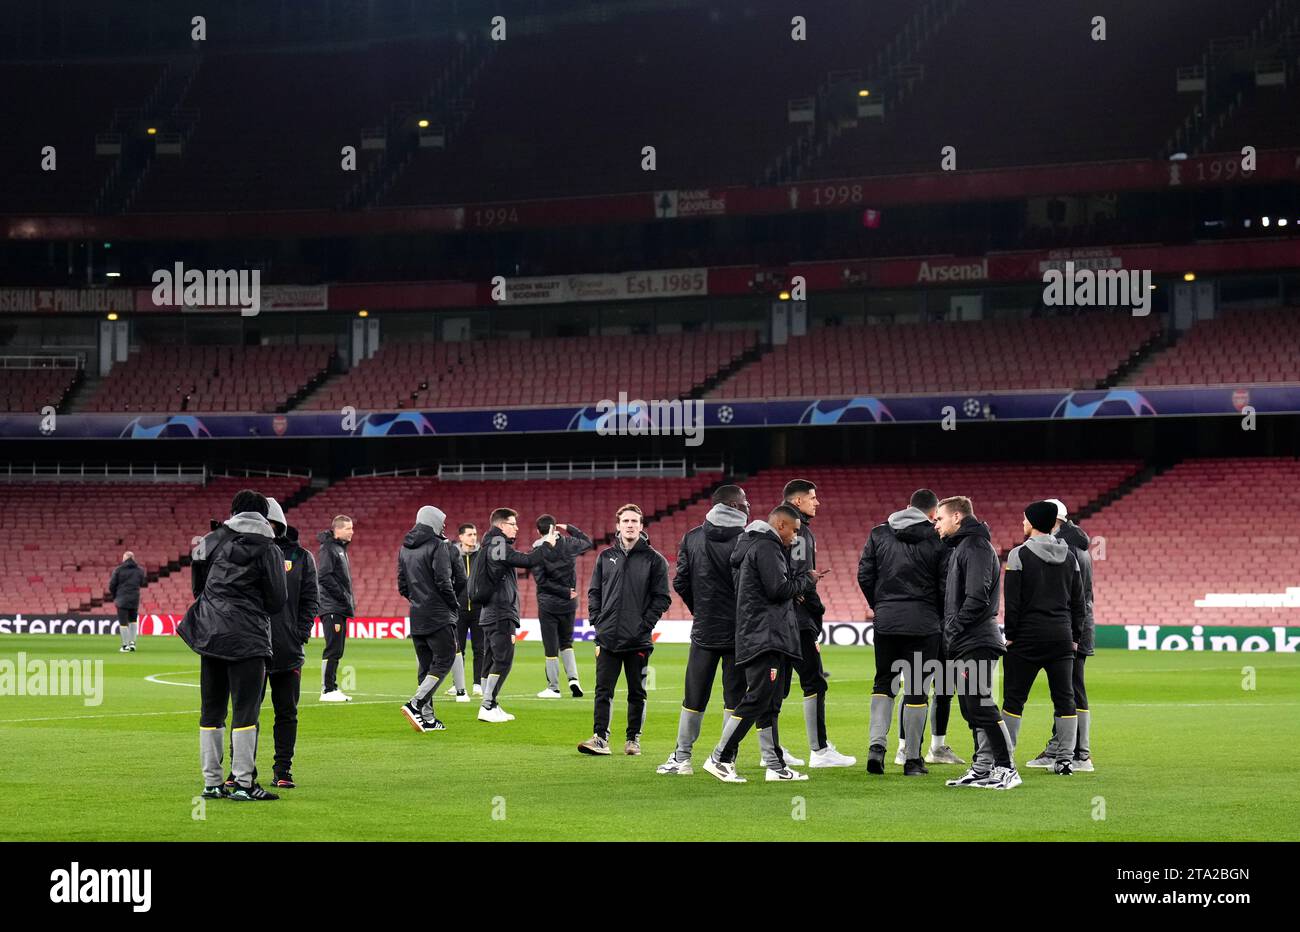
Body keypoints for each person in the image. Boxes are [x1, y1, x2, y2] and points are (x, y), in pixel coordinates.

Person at [179, 489, 287, 802]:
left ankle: (212, 783)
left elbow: (198, 589)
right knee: (246, 712)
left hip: (210, 635)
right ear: (263, 516)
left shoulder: (209, 541)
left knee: (211, 711)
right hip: (248, 637)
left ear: (234, 511)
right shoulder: (269, 548)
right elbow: (277, 600)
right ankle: (243, 784)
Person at [703, 504, 818, 783]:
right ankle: (719, 757)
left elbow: (768, 588)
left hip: (763, 635)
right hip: (765, 636)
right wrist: (806, 580)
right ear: (780, 525)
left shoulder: (752, 546)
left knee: (768, 704)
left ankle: (775, 765)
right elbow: (777, 589)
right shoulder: (767, 546)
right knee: (756, 699)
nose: (795, 537)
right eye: (794, 530)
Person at [857, 488, 954, 776]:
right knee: (917, 690)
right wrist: (934, 614)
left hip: (887, 620)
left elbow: (864, 574)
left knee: (883, 682)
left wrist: (882, 604)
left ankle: (876, 748)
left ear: (907, 506)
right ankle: (912, 759)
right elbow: (944, 584)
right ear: (932, 512)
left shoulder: (878, 533)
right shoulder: (937, 539)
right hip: (924, 623)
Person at [657, 485, 749, 775]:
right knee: (734, 697)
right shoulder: (747, 540)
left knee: (694, 695)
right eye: (745, 502)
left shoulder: (692, 537)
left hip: (705, 630)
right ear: (734, 506)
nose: (748, 506)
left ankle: (681, 758)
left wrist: (702, 610)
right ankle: (725, 758)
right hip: (739, 632)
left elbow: (681, 582)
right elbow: (752, 588)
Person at [226, 498, 318, 790]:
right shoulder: (245, 551)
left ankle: (283, 769)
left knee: (286, 713)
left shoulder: (302, 557)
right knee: (245, 711)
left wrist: (299, 634)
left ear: (278, 523)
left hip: (287, 650)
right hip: (252, 648)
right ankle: (240, 769)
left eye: (269, 523)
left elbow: (310, 600)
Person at [933, 495, 1019, 790]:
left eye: (940, 519)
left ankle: (1007, 768)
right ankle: (983, 768)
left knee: (980, 705)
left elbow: (977, 596)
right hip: (967, 639)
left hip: (977, 639)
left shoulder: (976, 547)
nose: (936, 525)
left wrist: (953, 629)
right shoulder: (964, 547)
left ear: (957, 517)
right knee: (971, 708)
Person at [1000, 501, 1086, 776]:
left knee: (1014, 699)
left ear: (1033, 521)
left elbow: (1013, 603)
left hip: (1026, 637)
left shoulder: (1018, 556)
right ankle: (1064, 761)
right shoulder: (1069, 557)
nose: (1022, 522)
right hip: (1061, 638)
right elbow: (1078, 603)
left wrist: (1011, 636)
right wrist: (1074, 638)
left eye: (1024, 518)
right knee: (1065, 698)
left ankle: (1006, 757)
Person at [578, 505, 670, 756]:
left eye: (634, 521)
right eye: (625, 520)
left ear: (641, 526)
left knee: (637, 692)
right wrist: (598, 621)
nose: (630, 525)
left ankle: (633, 740)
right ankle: (600, 738)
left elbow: (662, 598)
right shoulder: (605, 557)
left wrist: (644, 625)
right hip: (607, 637)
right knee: (602, 691)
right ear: (618, 525)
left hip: (638, 640)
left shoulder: (654, 560)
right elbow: (594, 592)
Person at [779, 479, 853, 768]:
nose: (817, 502)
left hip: (775, 620)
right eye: (812, 497)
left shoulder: (774, 525)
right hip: (798, 621)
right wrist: (815, 610)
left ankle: (770, 748)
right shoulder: (799, 532)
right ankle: (820, 751)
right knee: (814, 682)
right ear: (798, 502)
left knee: (777, 686)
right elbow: (800, 576)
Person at [1027, 499, 1096, 772]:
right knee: (1068, 690)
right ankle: (1061, 747)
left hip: (1071, 628)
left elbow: (1073, 597)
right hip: (1074, 626)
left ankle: (1080, 754)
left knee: (1072, 691)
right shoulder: (1075, 546)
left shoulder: (1067, 549)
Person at [470, 508, 547, 723]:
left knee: (491, 660)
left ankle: (491, 704)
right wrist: (545, 545)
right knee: (503, 660)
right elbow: (526, 560)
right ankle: (487, 705)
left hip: (490, 612)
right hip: (500, 612)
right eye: (513, 524)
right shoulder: (497, 543)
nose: (517, 527)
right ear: (501, 525)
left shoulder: (490, 544)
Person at [398, 506, 463, 732]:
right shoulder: (439, 546)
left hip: (417, 616)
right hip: (438, 614)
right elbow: (444, 581)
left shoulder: (404, 548)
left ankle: (428, 719)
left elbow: (402, 586)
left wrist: (418, 601)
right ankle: (416, 704)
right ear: (434, 521)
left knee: (425, 667)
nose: (444, 526)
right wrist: (453, 604)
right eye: (442, 521)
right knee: (445, 657)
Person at [531, 514, 592, 698]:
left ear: (538, 531)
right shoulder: (569, 544)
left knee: (551, 647)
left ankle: (553, 687)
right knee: (567, 643)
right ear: (554, 528)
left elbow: (541, 581)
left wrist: (563, 592)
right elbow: (587, 542)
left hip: (549, 604)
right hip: (569, 604)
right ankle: (574, 679)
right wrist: (570, 527)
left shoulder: (537, 550)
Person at [317, 515, 355, 702]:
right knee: (333, 648)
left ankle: (331, 687)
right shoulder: (329, 548)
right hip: (331, 606)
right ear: (337, 530)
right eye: (348, 528)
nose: (351, 531)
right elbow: (324, 576)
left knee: (337, 648)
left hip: (338, 606)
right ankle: (327, 689)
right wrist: (342, 595)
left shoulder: (339, 549)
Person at [445, 523, 483, 701]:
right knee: (457, 648)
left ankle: (478, 683)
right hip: (458, 609)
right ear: (460, 537)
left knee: (479, 648)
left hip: (478, 608)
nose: (473, 537)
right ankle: (456, 683)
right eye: (469, 534)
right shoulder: (452, 555)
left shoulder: (481, 554)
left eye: (475, 534)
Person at [108, 551, 145, 653]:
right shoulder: (140, 570)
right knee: (133, 621)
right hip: (134, 599)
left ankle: (125, 646)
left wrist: (116, 595)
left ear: (125, 558)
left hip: (122, 599)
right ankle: (132, 643)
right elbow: (142, 582)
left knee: (123, 622)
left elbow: (111, 585)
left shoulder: (119, 570)